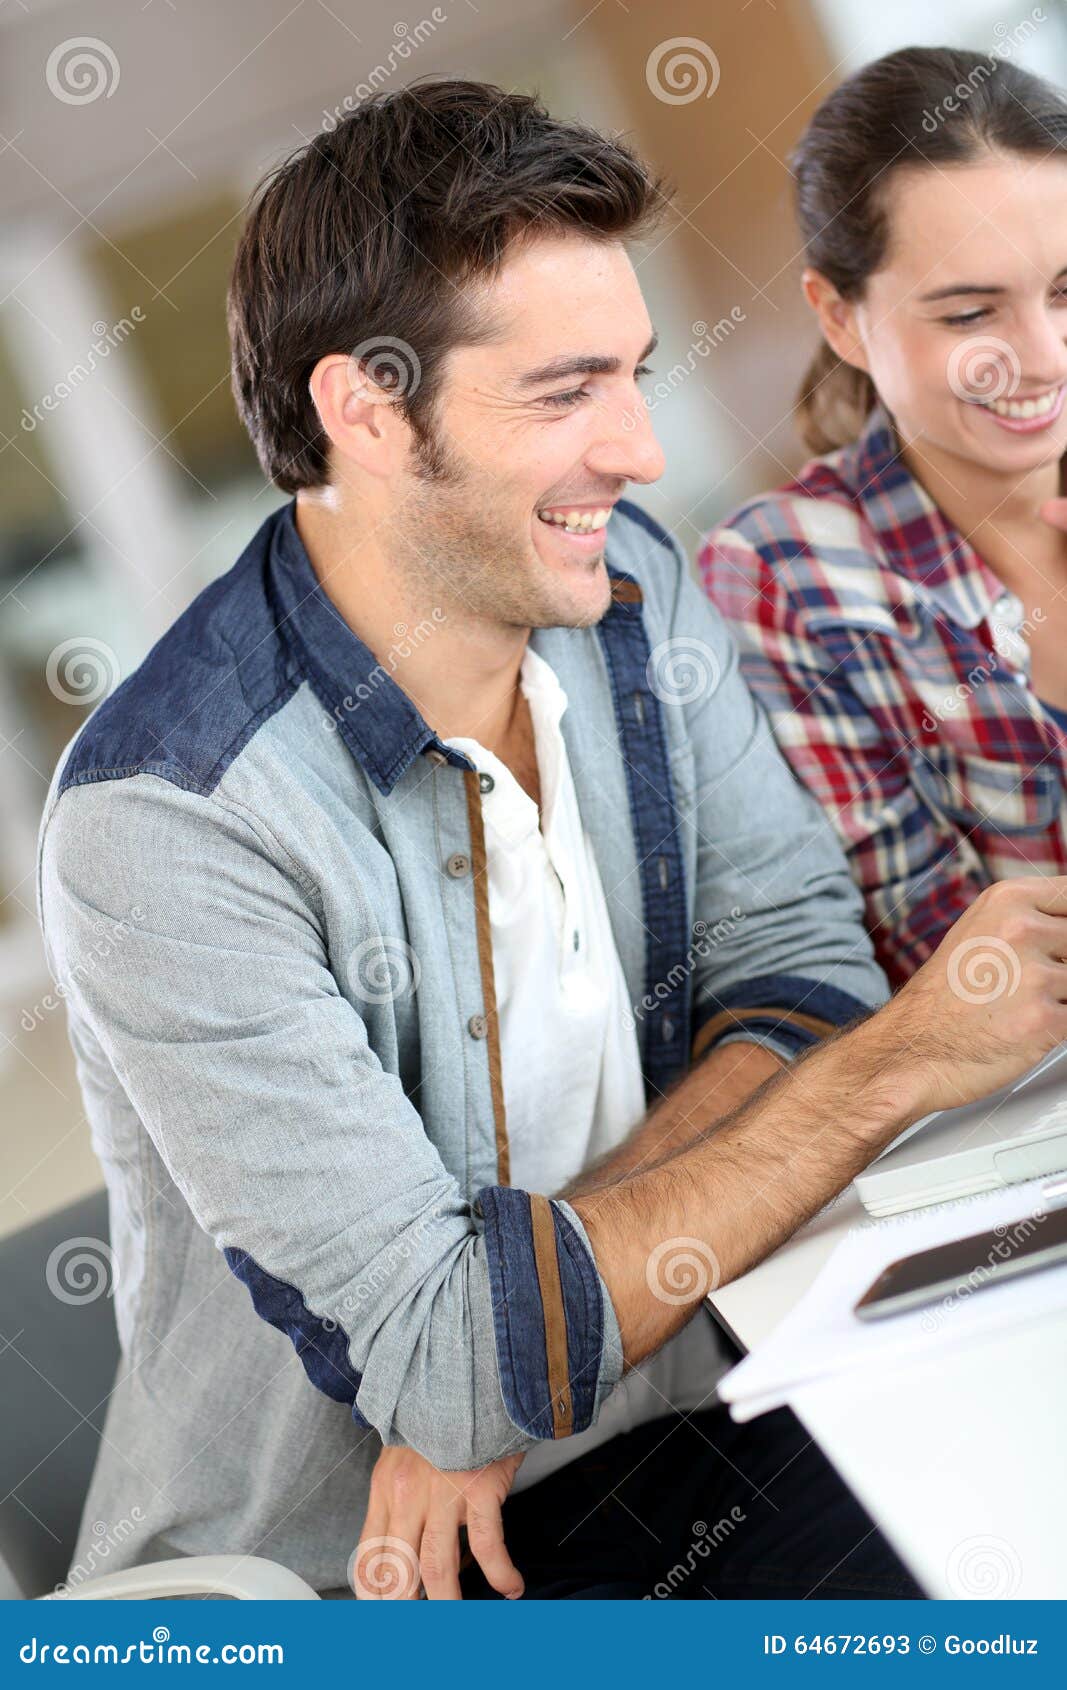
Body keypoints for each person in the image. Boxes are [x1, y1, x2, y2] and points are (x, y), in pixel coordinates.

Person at [39, 78, 1067, 1603]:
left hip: (679, 1396)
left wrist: (525, 1322)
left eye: (636, 374)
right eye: (564, 391)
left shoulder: (625, 594)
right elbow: (451, 1370)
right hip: (373, 1577)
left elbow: (798, 974)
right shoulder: (171, 823)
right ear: (366, 411)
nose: (643, 451)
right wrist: (905, 1061)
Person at [700, 45, 1067, 991]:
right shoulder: (781, 575)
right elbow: (955, 972)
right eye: (968, 314)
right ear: (839, 316)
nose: (1042, 356)